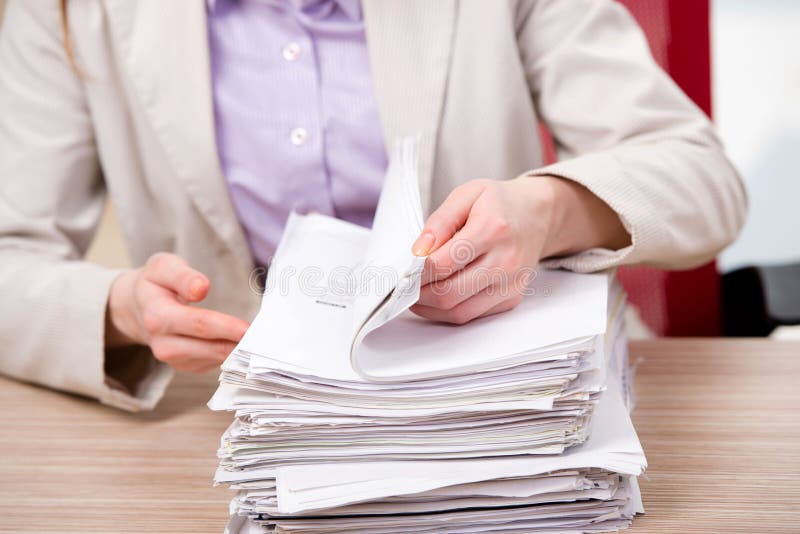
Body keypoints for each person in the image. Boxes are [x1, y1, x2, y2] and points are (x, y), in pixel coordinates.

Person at [0, 0, 747, 411]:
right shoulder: (65, 11)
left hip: (518, 403)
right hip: (242, 425)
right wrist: (121, 309)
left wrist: (547, 210)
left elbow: (702, 179)